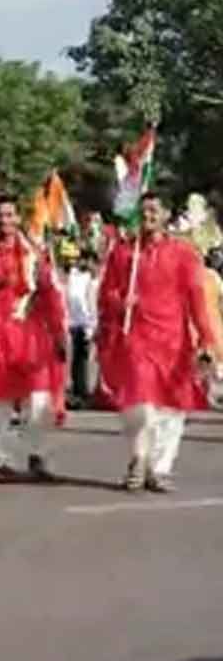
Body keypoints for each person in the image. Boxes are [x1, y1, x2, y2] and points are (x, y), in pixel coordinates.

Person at [98, 192, 223, 492]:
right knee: (139, 403)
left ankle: (160, 467)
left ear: (167, 215)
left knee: (172, 408)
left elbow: (197, 302)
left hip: (173, 341)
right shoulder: (125, 252)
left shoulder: (183, 253)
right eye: (144, 211)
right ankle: (139, 457)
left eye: (154, 210)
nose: (148, 216)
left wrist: (207, 340)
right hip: (135, 339)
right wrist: (119, 300)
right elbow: (104, 294)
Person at [0, 196, 67, 482]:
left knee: (39, 399)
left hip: (30, 334)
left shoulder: (32, 251)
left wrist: (59, 333)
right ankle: (3, 460)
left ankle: (38, 453)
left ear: (18, 217)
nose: (4, 221)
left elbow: (50, 294)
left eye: (9, 215)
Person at [62, 246, 98, 407]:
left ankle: (81, 392)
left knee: (82, 360)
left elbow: (90, 304)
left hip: (85, 323)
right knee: (71, 360)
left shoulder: (89, 278)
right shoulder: (70, 276)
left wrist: (91, 326)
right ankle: (72, 392)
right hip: (71, 323)